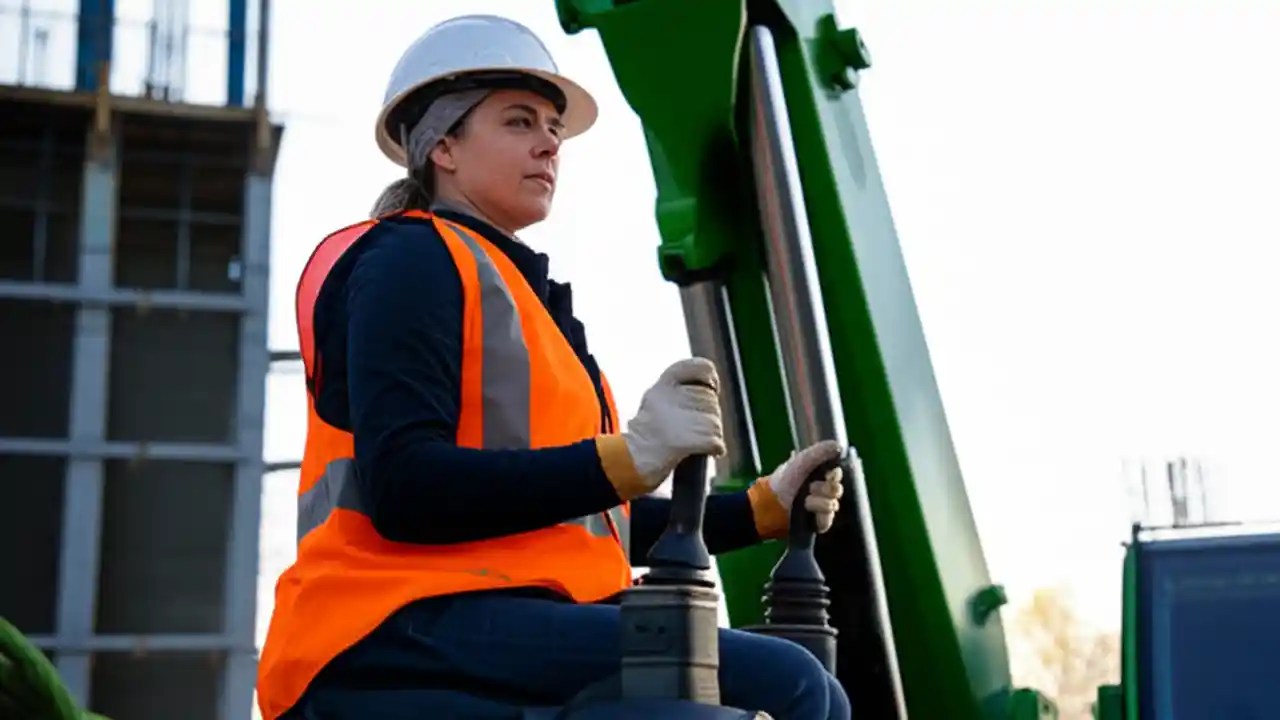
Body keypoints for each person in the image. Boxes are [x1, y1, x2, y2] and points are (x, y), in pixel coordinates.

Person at [256, 14, 852, 720]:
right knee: (789, 680)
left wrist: (757, 511)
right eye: (519, 122)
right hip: (388, 621)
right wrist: (627, 458)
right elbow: (405, 488)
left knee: (801, 687)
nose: (548, 144)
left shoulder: (527, 300)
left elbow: (582, 522)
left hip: (497, 616)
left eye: (553, 129)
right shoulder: (408, 260)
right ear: (442, 146)